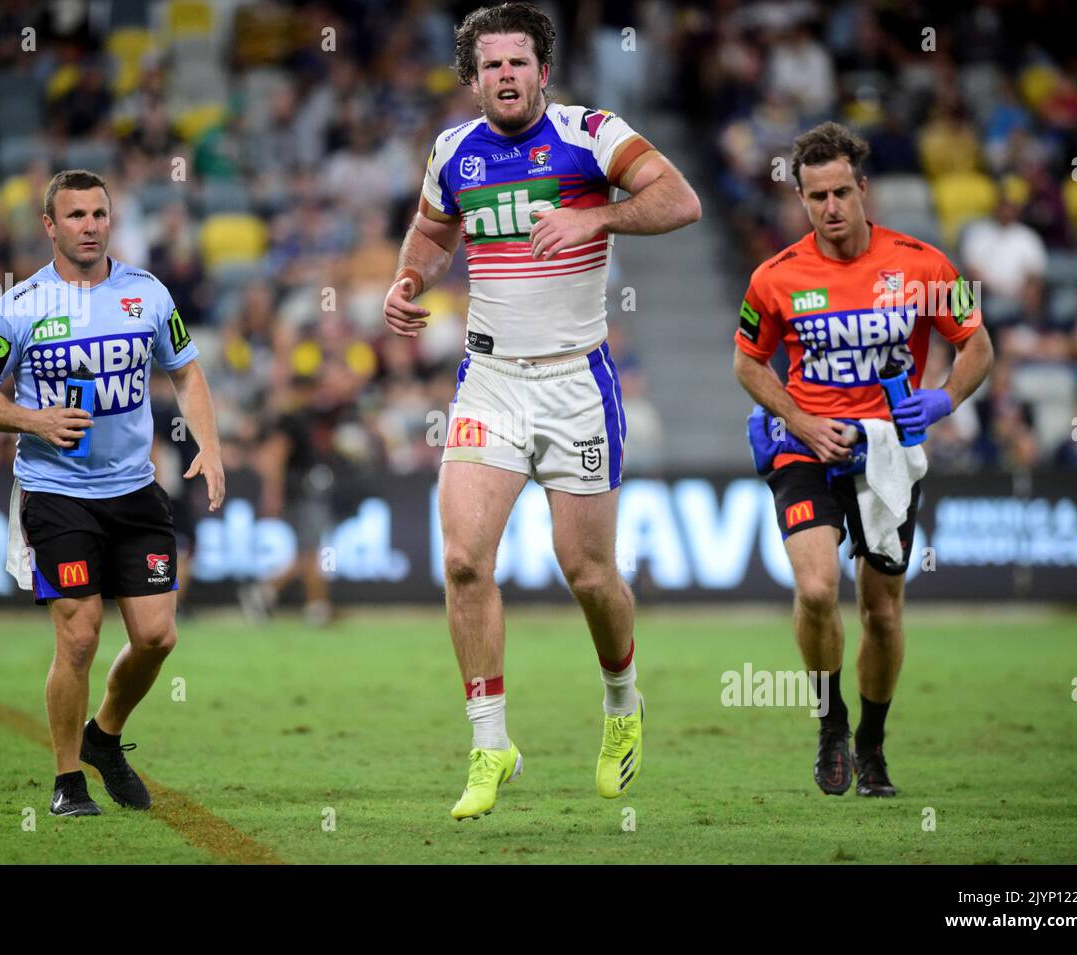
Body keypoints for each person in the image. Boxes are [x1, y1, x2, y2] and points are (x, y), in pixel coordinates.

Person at [383, 2, 702, 820]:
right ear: (474, 76)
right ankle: (491, 744)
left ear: (543, 70)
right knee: (462, 560)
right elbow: (431, 233)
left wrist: (595, 213)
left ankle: (623, 704)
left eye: (518, 62)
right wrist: (409, 282)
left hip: (575, 383)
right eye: (490, 65)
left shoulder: (591, 134)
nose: (505, 75)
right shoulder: (454, 150)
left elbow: (680, 201)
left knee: (587, 571)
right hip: (488, 381)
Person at [0, 170, 225, 816]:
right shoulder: (19, 306)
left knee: (158, 636)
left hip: (134, 489)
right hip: (56, 491)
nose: (89, 225)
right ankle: (67, 779)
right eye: (74, 215)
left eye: (99, 213)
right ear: (50, 226)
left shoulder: (147, 294)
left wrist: (210, 445)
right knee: (78, 637)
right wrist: (34, 420)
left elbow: (186, 372)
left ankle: (103, 736)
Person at [733, 123, 993, 797]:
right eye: (816, 195)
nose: (831, 207)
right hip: (806, 447)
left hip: (886, 456)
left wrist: (942, 402)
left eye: (841, 192)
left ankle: (871, 744)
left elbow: (977, 345)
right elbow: (747, 362)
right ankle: (829, 722)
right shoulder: (775, 277)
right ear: (800, 197)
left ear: (863, 189)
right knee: (817, 588)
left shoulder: (922, 264)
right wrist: (799, 419)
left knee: (882, 608)